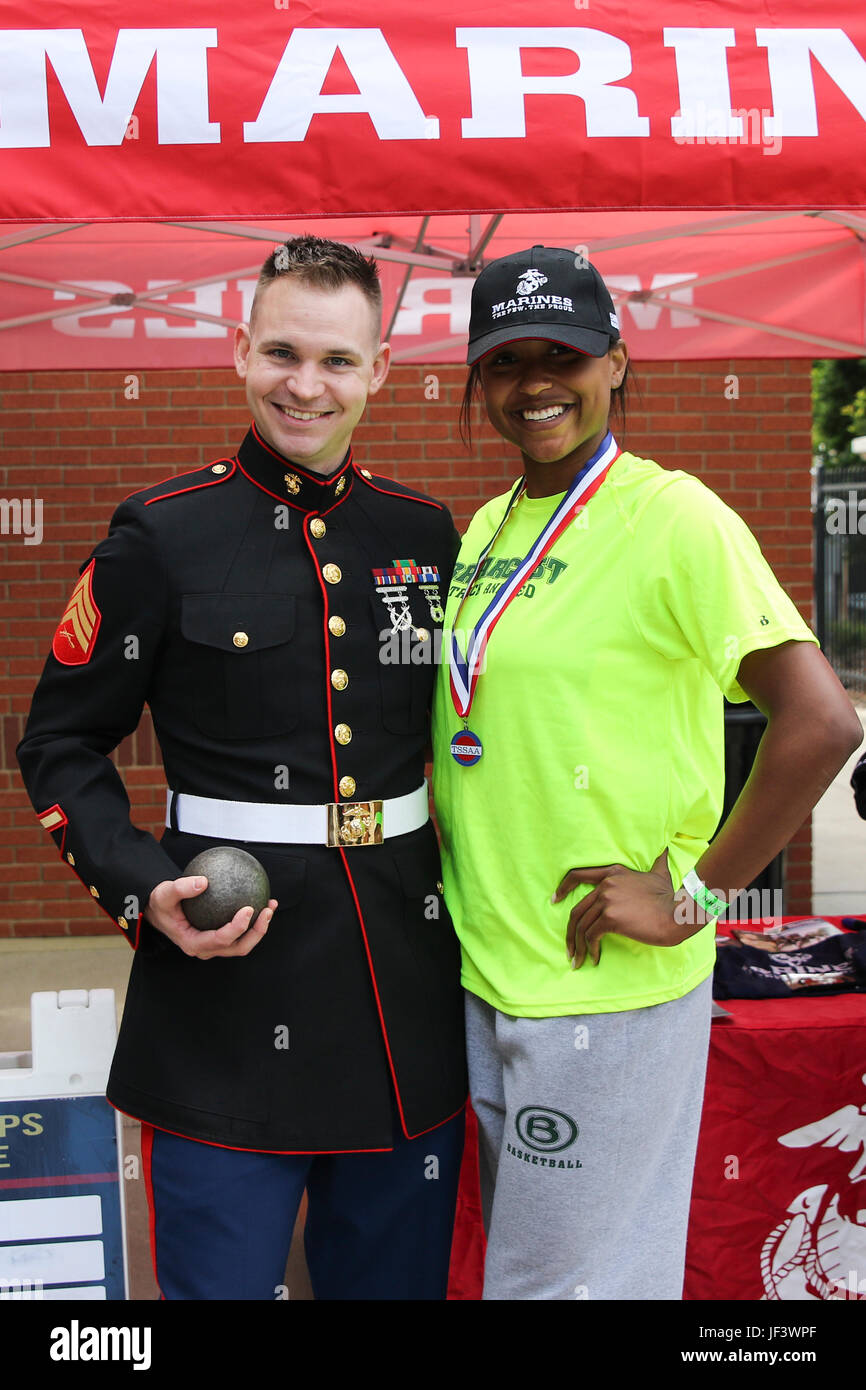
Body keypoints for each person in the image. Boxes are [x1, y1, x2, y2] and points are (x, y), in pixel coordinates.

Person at [17, 235, 468, 1301]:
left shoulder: (423, 534)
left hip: (400, 1003)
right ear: (238, 353)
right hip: (224, 991)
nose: (305, 386)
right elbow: (57, 740)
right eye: (281, 353)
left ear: (380, 369)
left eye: (336, 361)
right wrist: (139, 888)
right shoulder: (162, 536)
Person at [431, 244, 864, 1301]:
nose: (535, 383)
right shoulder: (489, 527)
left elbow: (818, 723)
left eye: (563, 355)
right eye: (507, 360)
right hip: (491, 972)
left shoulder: (674, 517)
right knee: (553, 1275)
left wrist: (693, 895)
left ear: (616, 361)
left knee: (560, 1290)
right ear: (478, 379)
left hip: (601, 987)